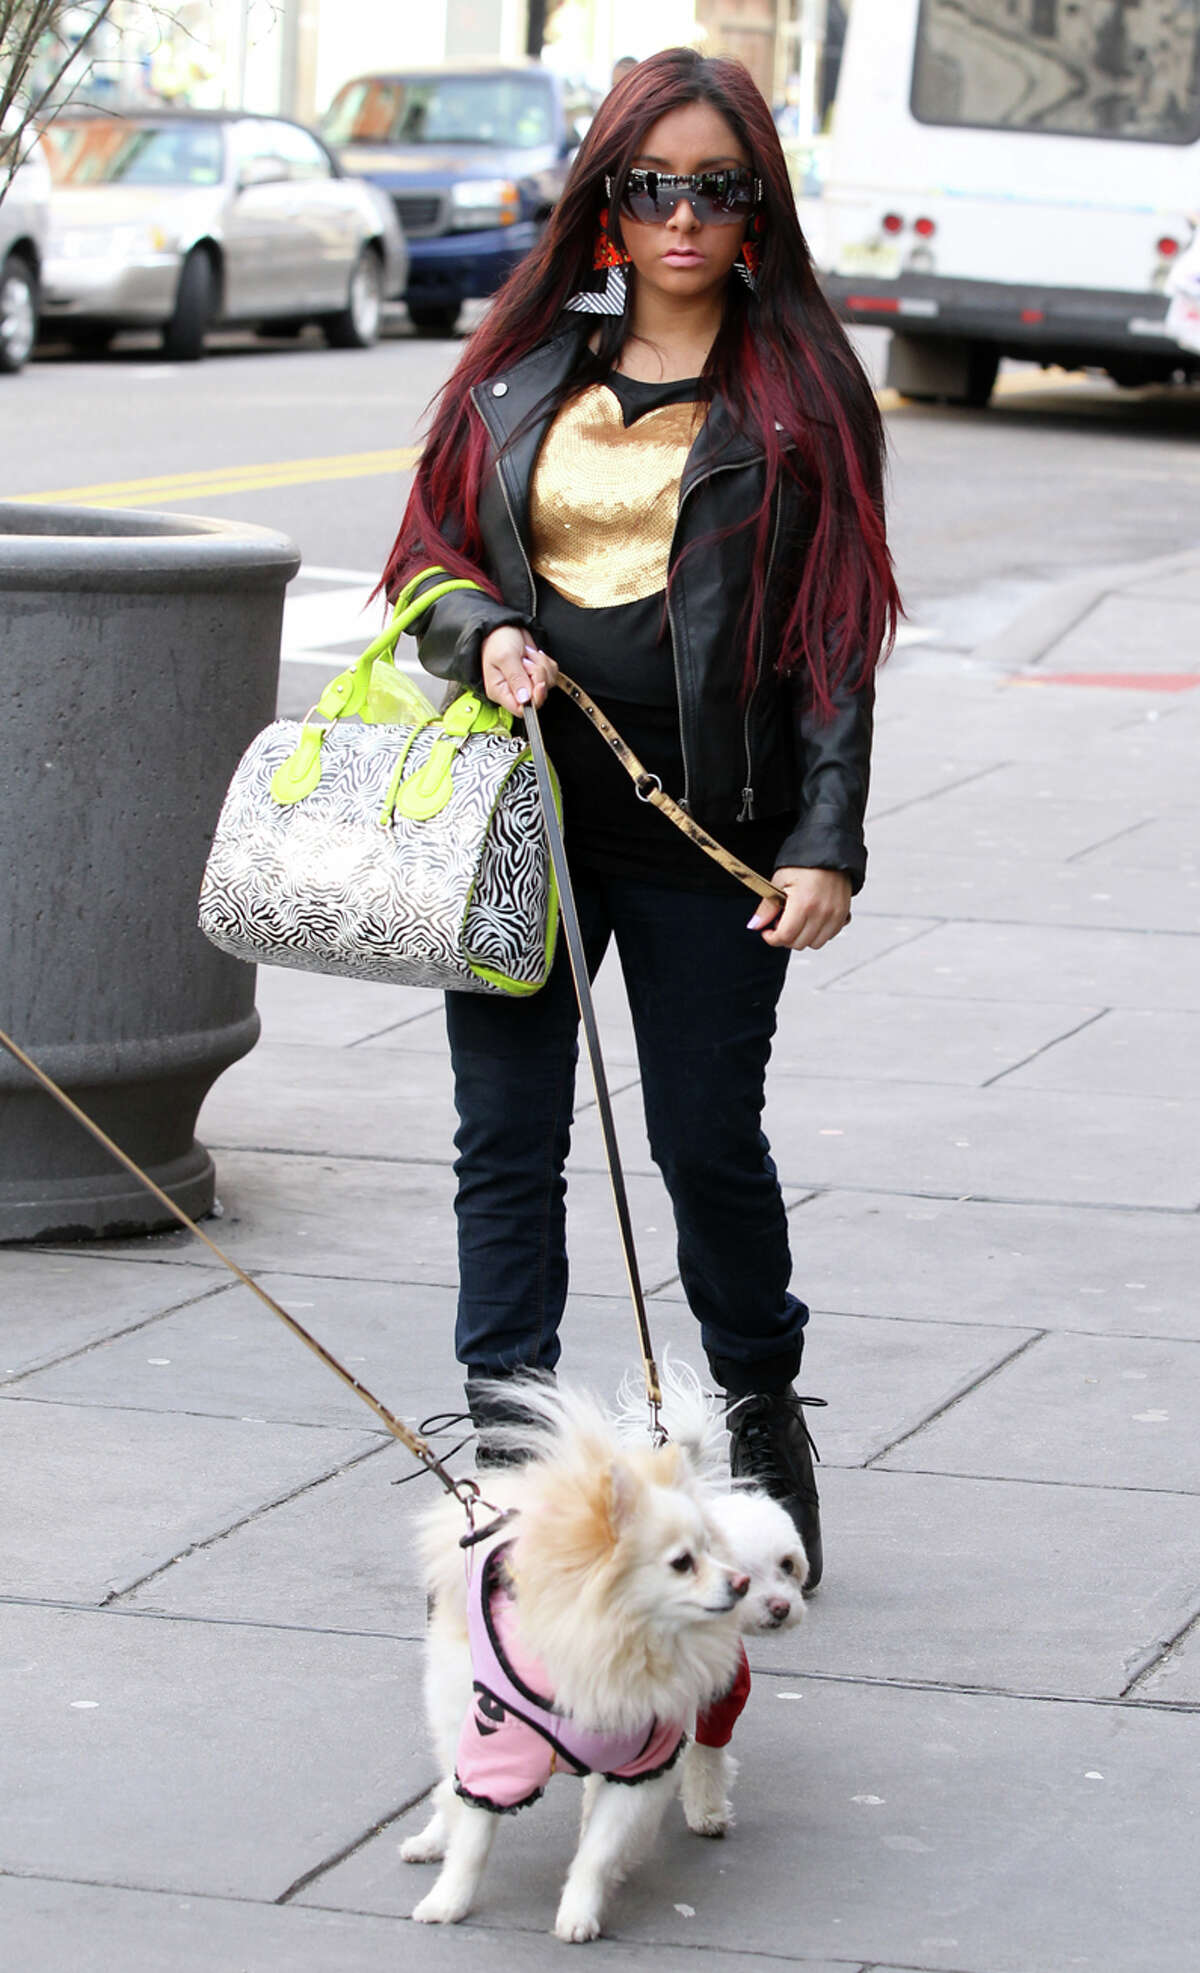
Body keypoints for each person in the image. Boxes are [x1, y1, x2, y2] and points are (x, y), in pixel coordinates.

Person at [383, 46, 899, 1590]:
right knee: (506, 1140)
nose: (684, 216)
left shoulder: (801, 396)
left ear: (759, 210)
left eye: (718, 188)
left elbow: (835, 634)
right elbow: (419, 558)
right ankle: (510, 1459)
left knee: (703, 1141)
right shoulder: (518, 374)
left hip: (716, 833)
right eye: (654, 183)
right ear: (608, 200)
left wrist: (827, 836)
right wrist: (478, 629)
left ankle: (759, 1410)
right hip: (524, 819)